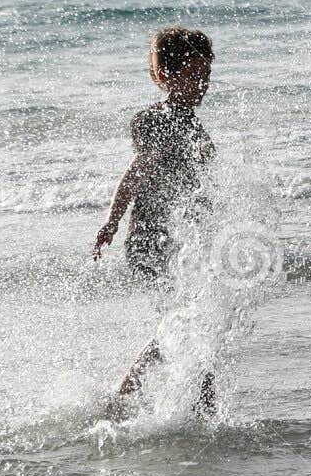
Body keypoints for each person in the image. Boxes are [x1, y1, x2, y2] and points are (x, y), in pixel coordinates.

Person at [92, 26, 217, 412]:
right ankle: (125, 396)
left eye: (206, 76)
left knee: (194, 322)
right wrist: (112, 221)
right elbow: (136, 171)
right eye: (194, 75)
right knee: (184, 324)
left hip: (178, 241)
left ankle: (201, 404)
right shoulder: (155, 121)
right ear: (165, 77)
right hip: (152, 241)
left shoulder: (191, 124)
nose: (203, 85)